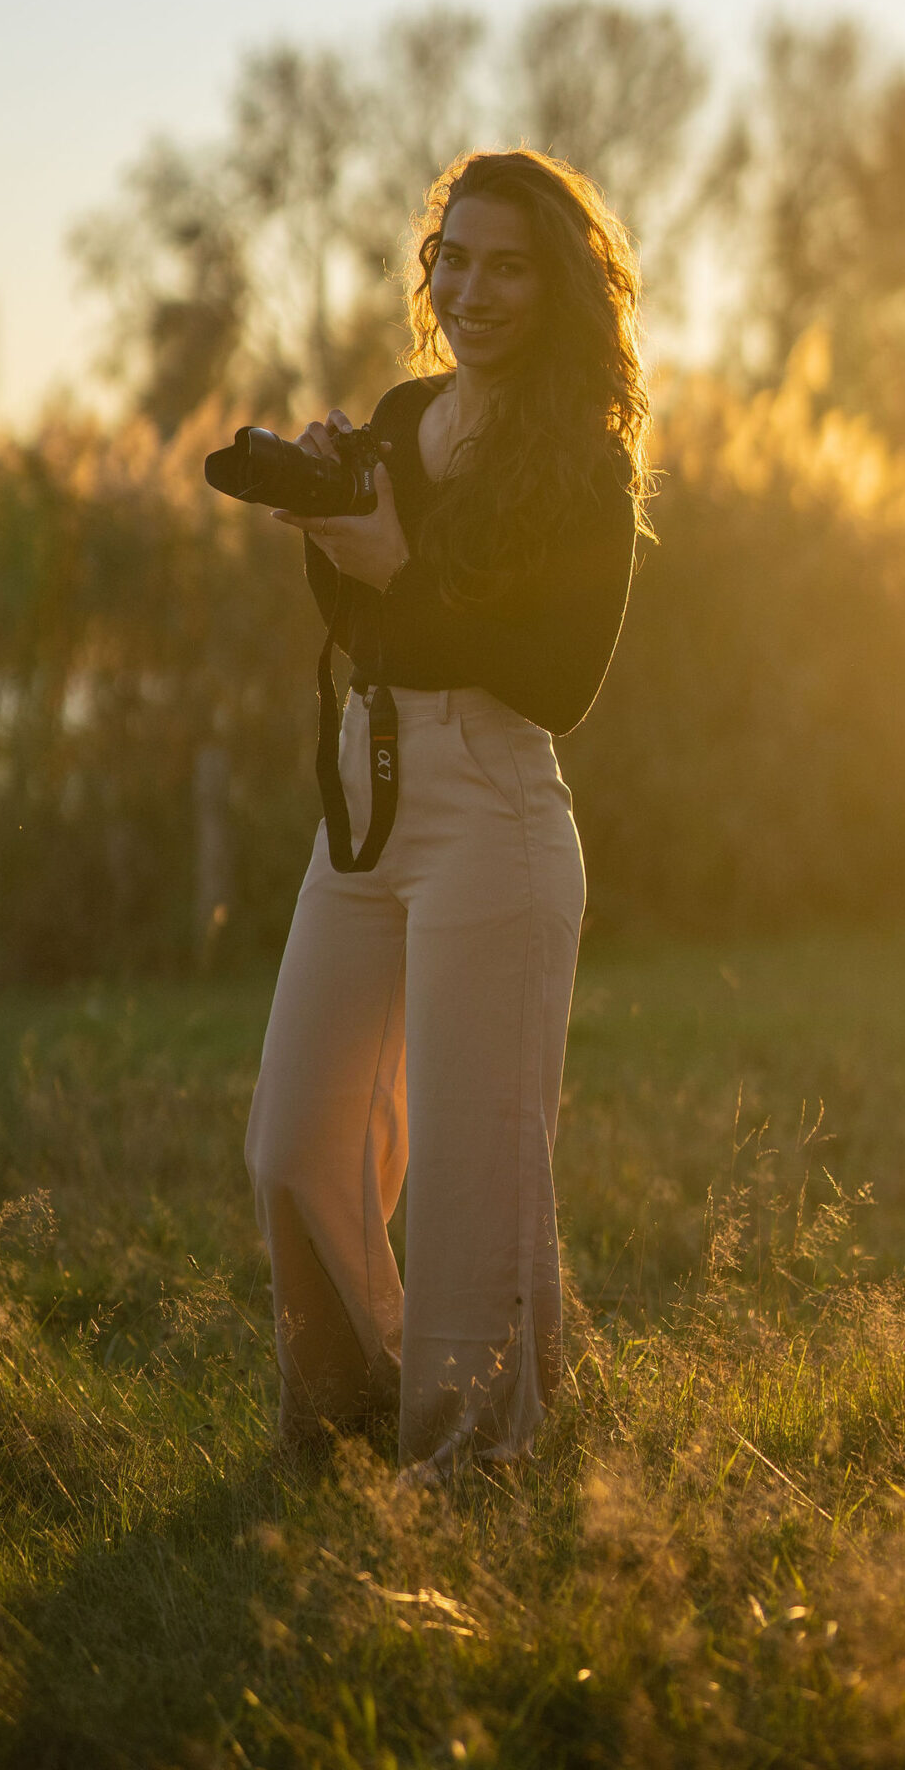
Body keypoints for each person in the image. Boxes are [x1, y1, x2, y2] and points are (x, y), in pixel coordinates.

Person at [243, 147, 653, 1476]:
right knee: (297, 1141)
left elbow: (556, 682)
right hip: (370, 799)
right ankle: (355, 1414)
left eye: (507, 265)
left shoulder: (581, 465)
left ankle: (473, 1461)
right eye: (453, 258)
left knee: (479, 1181)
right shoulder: (406, 414)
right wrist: (336, 525)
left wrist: (398, 563)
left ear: (561, 288)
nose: (472, 288)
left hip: (494, 808)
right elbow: (375, 627)